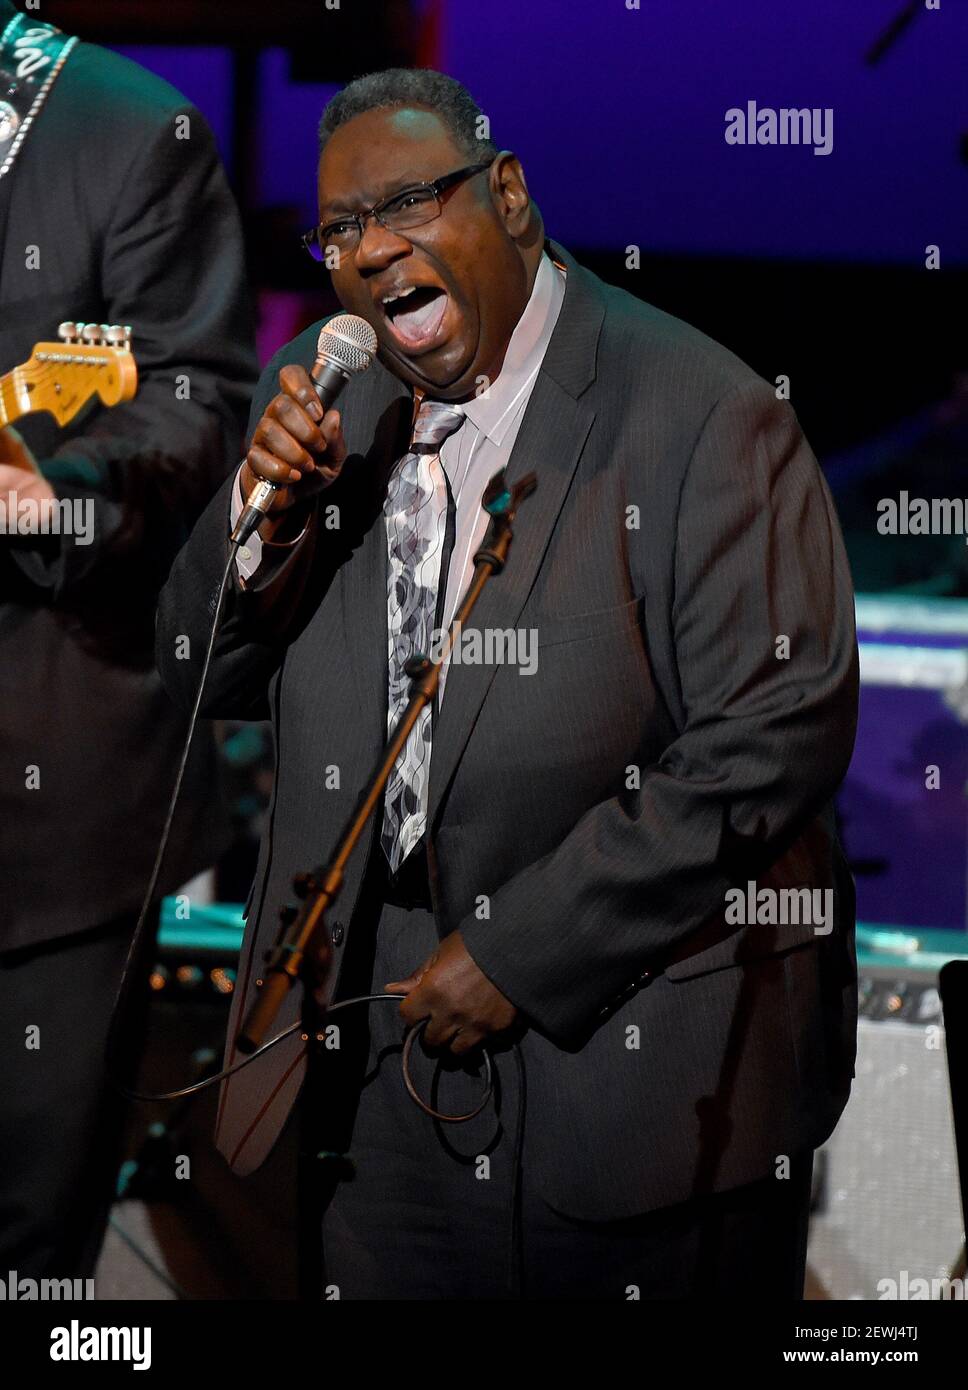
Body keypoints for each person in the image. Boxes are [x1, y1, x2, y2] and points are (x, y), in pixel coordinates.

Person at [157, 68, 858, 1300]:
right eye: (338, 229)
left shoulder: (700, 412)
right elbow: (194, 666)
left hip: (631, 1064)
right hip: (368, 1045)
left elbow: (772, 734)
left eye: (405, 203)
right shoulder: (331, 399)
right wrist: (269, 518)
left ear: (510, 196)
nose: (372, 250)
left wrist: (522, 950)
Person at [0, 0, 258, 1280]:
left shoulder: (123, 127)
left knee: (23, 1238)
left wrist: (46, 496)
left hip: (49, 813)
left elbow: (191, 403)